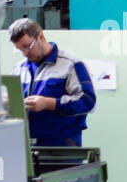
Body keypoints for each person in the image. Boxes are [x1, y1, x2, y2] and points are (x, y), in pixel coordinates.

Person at [8, 18, 97, 147]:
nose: (25, 53)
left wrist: (50, 103)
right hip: (28, 147)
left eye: (27, 46)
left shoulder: (70, 65)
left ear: (40, 37)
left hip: (63, 149)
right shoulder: (18, 69)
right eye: (19, 49)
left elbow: (88, 102)